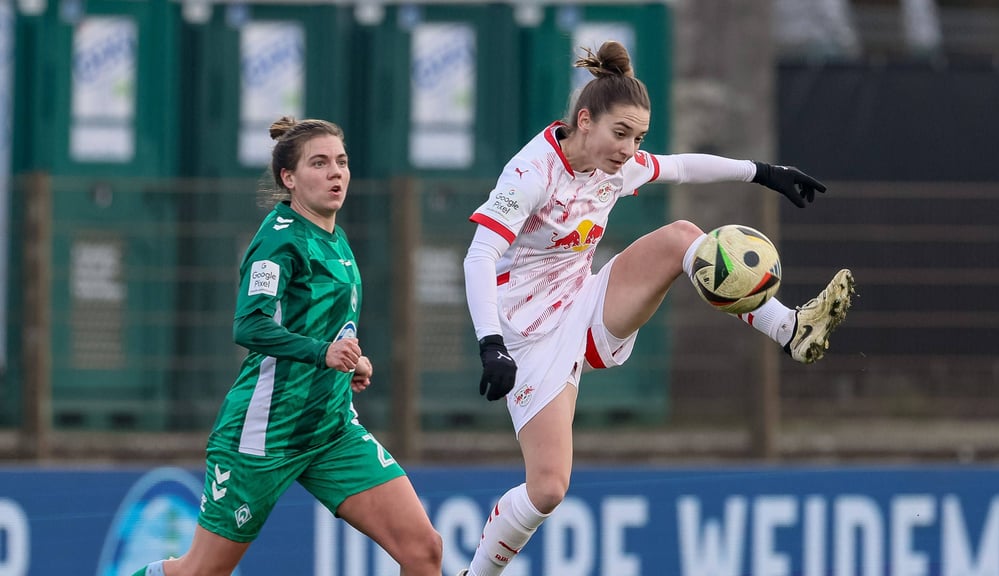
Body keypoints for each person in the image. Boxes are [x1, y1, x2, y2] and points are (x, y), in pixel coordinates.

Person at [457, 41, 854, 576]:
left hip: (587, 307)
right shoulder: (530, 173)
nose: (629, 149)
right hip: (526, 336)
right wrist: (491, 343)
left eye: (637, 138)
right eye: (621, 134)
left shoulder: (615, 166)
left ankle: (790, 329)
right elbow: (480, 253)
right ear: (584, 121)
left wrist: (762, 171)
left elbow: (682, 167)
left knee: (683, 238)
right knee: (548, 488)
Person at [133, 117, 442, 576]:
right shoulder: (279, 238)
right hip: (264, 435)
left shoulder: (332, 235)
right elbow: (250, 325)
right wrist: (322, 354)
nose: (335, 173)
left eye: (341, 162)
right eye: (319, 163)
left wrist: (350, 360)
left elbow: (326, 324)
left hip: (331, 429)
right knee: (200, 572)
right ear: (289, 178)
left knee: (423, 550)